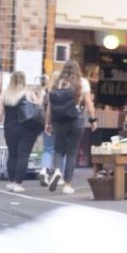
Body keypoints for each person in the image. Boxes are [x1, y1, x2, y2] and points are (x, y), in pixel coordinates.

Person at [46, 60, 97, 194]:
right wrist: (93, 119)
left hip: (59, 121)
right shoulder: (82, 82)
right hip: (76, 119)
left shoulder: (58, 82)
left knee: (58, 149)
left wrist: (48, 123)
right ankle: (67, 184)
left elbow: (50, 105)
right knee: (72, 152)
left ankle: (57, 170)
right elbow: (88, 102)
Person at [0, 72, 44, 192]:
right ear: (24, 80)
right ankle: (18, 182)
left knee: (12, 154)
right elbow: (38, 107)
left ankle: (11, 181)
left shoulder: (5, 95)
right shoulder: (28, 93)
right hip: (26, 129)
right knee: (23, 155)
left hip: (10, 128)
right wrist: (41, 95)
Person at [37, 74, 55, 187]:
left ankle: (44, 170)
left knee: (47, 149)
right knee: (61, 151)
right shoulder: (63, 92)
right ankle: (59, 174)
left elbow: (41, 106)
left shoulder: (46, 92)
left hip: (47, 123)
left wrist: (46, 123)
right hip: (59, 123)